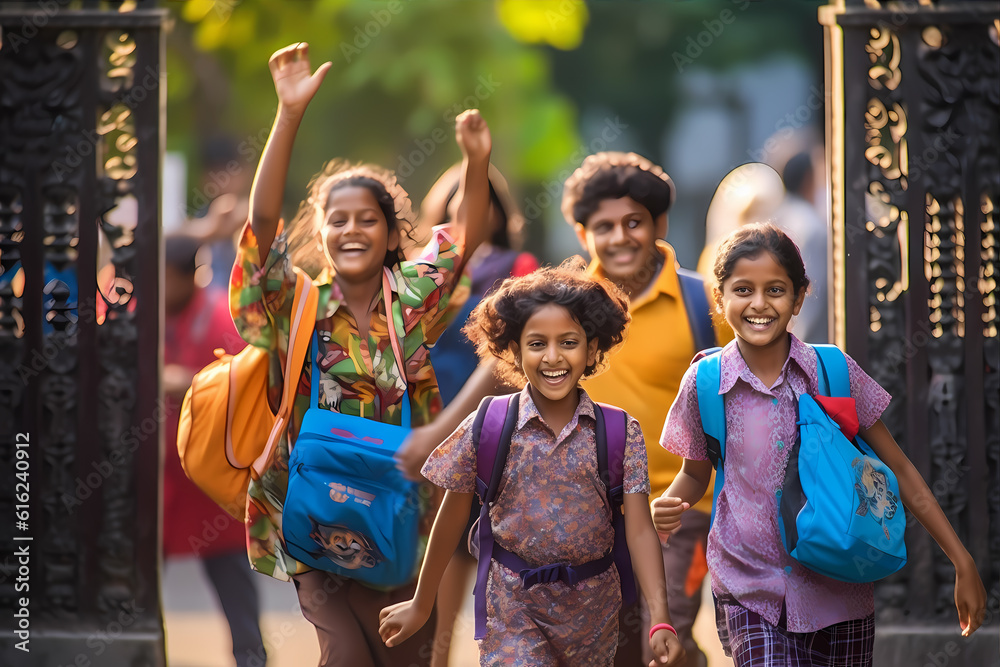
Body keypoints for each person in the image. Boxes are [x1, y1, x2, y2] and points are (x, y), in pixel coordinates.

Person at [229, 42, 493, 667]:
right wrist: (288, 114)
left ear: (392, 232)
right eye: (338, 220)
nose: (352, 230)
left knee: (403, 655)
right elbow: (261, 224)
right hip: (314, 506)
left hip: (402, 510)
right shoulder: (295, 302)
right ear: (320, 233)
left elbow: (466, 236)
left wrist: (476, 162)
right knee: (344, 653)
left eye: (367, 220)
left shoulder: (414, 297)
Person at [652, 223, 987, 666]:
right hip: (750, 594)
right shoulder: (705, 382)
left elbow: (899, 469)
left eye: (775, 290)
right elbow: (695, 474)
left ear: (798, 298)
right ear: (720, 297)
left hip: (840, 589)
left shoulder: (833, 371)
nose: (759, 303)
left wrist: (962, 560)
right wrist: (668, 504)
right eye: (743, 290)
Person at [378, 261, 685, 667]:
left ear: (592, 348)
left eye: (569, 342)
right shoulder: (489, 424)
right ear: (514, 350)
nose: (552, 357)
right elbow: (450, 517)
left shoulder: (619, 431)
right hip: (511, 609)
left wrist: (660, 617)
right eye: (537, 343)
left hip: (593, 617)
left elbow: (640, 529)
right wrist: (422, 602)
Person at [563, 152, 733, 667]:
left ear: (659, 224)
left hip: (683, 514)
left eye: (633, 222)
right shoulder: (565, 307)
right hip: (588, 517)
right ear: (583, 234)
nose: (620, 237)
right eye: (604, 226)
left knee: (662, 644)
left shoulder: (706, 302)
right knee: (608, 650)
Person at [407, 163, 539, 666]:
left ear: (497, 212)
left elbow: (504, 357)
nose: (468, 213)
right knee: (422, 551)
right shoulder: (422, 272)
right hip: (419, 420)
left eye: (478, 203)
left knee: (467, 549)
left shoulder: (517, 268)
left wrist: (449, 430)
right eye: (456, 205)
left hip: (483, 428)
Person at [162, 234, 266, 667]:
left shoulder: (223, 318)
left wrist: (189, 381)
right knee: (132, 587)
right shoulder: (133, 311)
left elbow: (246, 384)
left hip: (210, 481)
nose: (161, 286)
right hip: (156, 480)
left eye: (167, 277)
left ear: (191, 276)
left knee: (233, 581)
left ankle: (252, 658)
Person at [772, 150, 829, 343]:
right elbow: (812, 296)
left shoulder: (778, 218)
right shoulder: (812, 227)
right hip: (804, 340)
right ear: (808, 178)